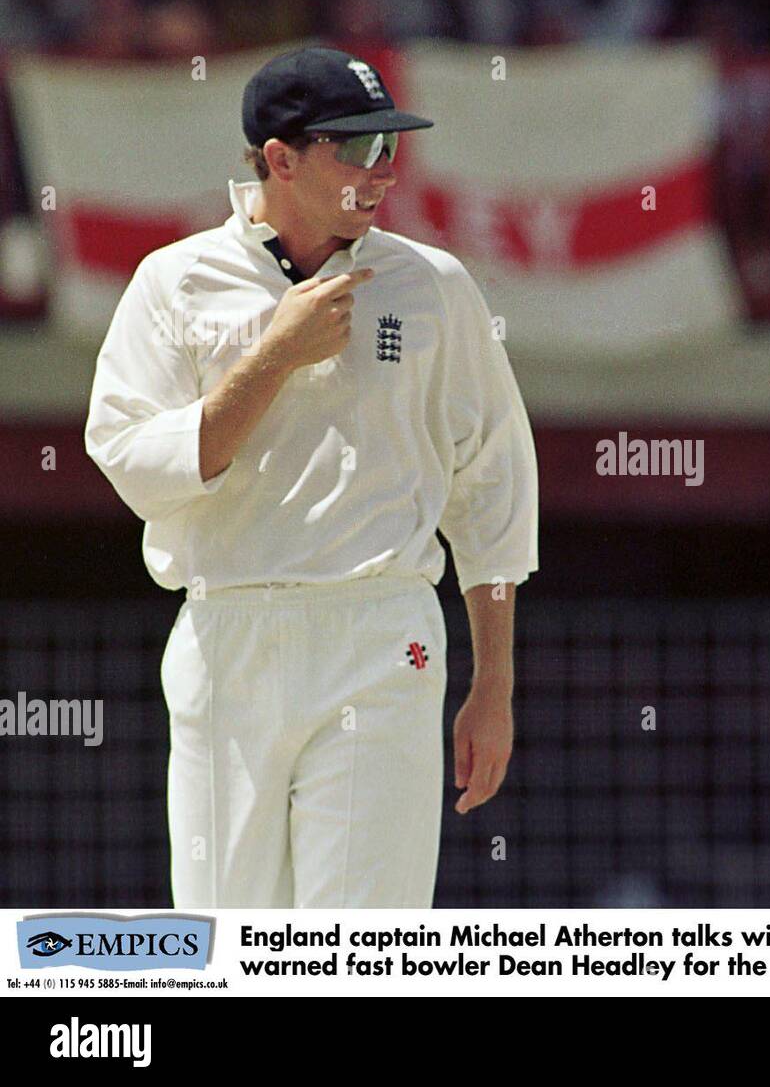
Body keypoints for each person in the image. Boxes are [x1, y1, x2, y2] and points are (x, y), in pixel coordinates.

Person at [85, 47, 538, 908]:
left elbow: (493, 492)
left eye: (388, 150)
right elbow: (139, 467)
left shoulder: (434, 285)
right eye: (354, 149)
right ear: (279, 159)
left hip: (383, 631)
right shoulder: (172, 283)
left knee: (362, 953)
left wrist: (494, 684)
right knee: (225, 938)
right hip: (229, 631)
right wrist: (276, 354)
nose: (379, 173)